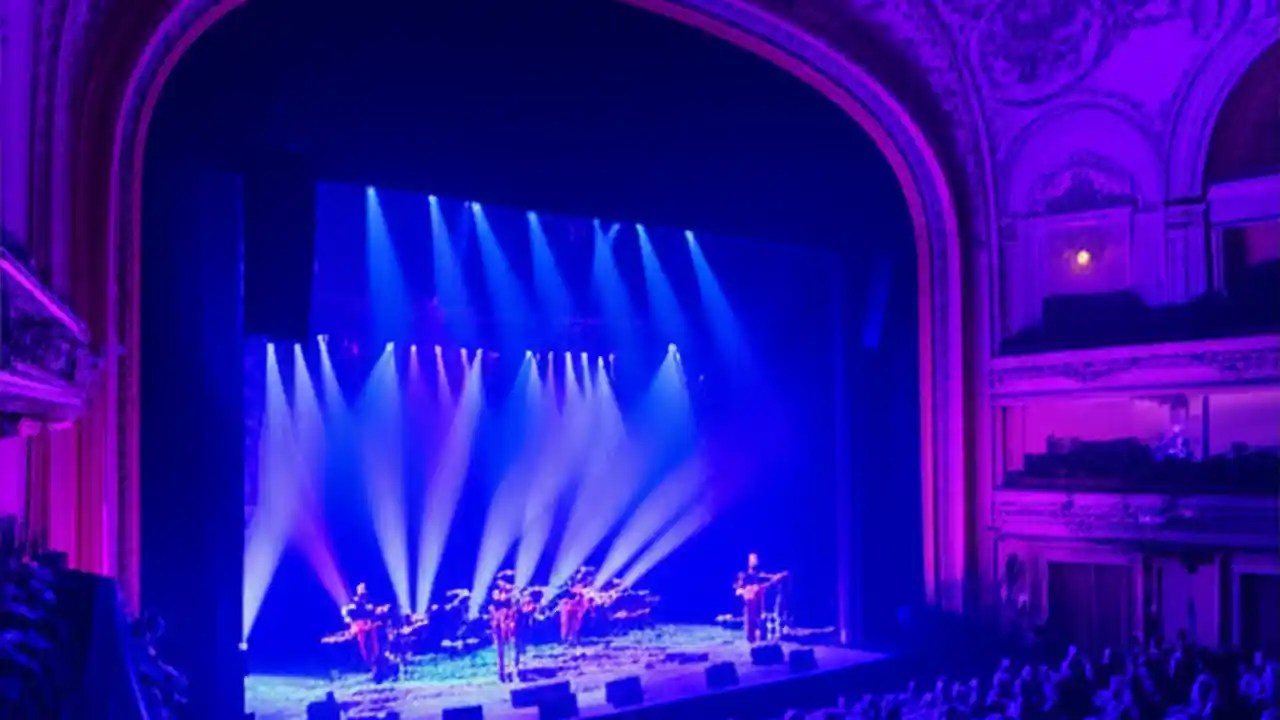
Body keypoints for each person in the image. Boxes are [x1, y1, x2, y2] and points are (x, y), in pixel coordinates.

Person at [734, 552, 785, 644]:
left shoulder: (762, 575)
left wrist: (775, 580)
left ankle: (764, 637)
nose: (755, 561)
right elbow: (738, 588)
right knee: (752, 621)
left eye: (756, 559)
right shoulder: (743, 575)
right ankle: (753, 637)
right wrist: (742, 592)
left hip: (761, 604)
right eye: (752, 559)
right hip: (750, 602)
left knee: (761, 621)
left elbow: (769, 582)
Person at [342, 582, 385, 672]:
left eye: (365, 591)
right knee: (363, 640)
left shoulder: (369, 602)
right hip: (359, 626)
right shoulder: (353, 603)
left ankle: (376, 659)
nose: (364, 594)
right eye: (361, 591)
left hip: (369, 625)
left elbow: (374, 612)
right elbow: (346, 612)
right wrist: (348, 618)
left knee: (375, 637)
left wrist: (380, 611)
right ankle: (367, 661)